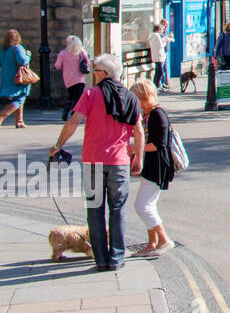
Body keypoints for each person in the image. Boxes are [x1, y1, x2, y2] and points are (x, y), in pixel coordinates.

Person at [48, 54, 143, 271]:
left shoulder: (90, 94)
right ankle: (117, 258)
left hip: (93, 162)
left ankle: (100, 259)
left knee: (95, 210)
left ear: (106, 73)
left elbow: (73, 122)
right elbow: (138, 131)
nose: (93, 74)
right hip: (119, 163)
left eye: (96, 71)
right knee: (118, 210)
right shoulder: (130, 97)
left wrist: (58, 145)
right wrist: (138, 157)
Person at [128, 79, 175, 257]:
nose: (135, 104)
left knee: (142, 205)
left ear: (144, 97)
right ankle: (152, 243)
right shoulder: (151, 114)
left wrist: (134, 148)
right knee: (148, 205)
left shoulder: (157, 115)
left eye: (136, 99)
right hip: (153, 164)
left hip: (158, 165)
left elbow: (158, 144)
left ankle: (164, 240)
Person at [0, 29, 33, 129]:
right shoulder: (18, 48)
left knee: (17, 98)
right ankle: (1, 116)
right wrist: (28, 55)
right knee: (20, 98)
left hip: (6, 77)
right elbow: (23, 61)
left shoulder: (2, 49)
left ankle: (19, 121)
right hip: (18, 77)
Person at [55, 35, 91, 121]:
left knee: (71, 96)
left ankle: (66, 112)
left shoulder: (62, 53)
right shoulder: (82, 53)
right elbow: (87, 63)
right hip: (80, 78)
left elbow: (57, 66)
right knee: (78, 97)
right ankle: (74, 113)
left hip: (68, 78)